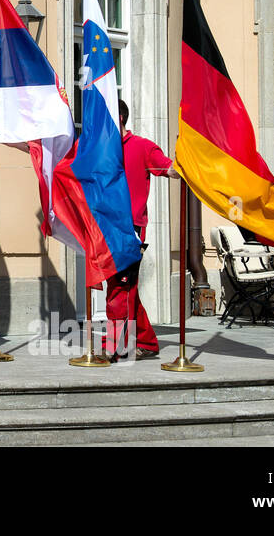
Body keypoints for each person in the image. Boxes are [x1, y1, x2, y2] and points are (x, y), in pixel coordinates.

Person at [106, 99, 178, 360]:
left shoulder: (143, 147)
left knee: (119, 287)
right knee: (127, 288)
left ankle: (114, 346)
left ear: (120, 118)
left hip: (130, 230)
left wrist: (186, 161)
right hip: (105, 227)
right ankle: (146, 343)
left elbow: (169, 169)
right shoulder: (99, 148)